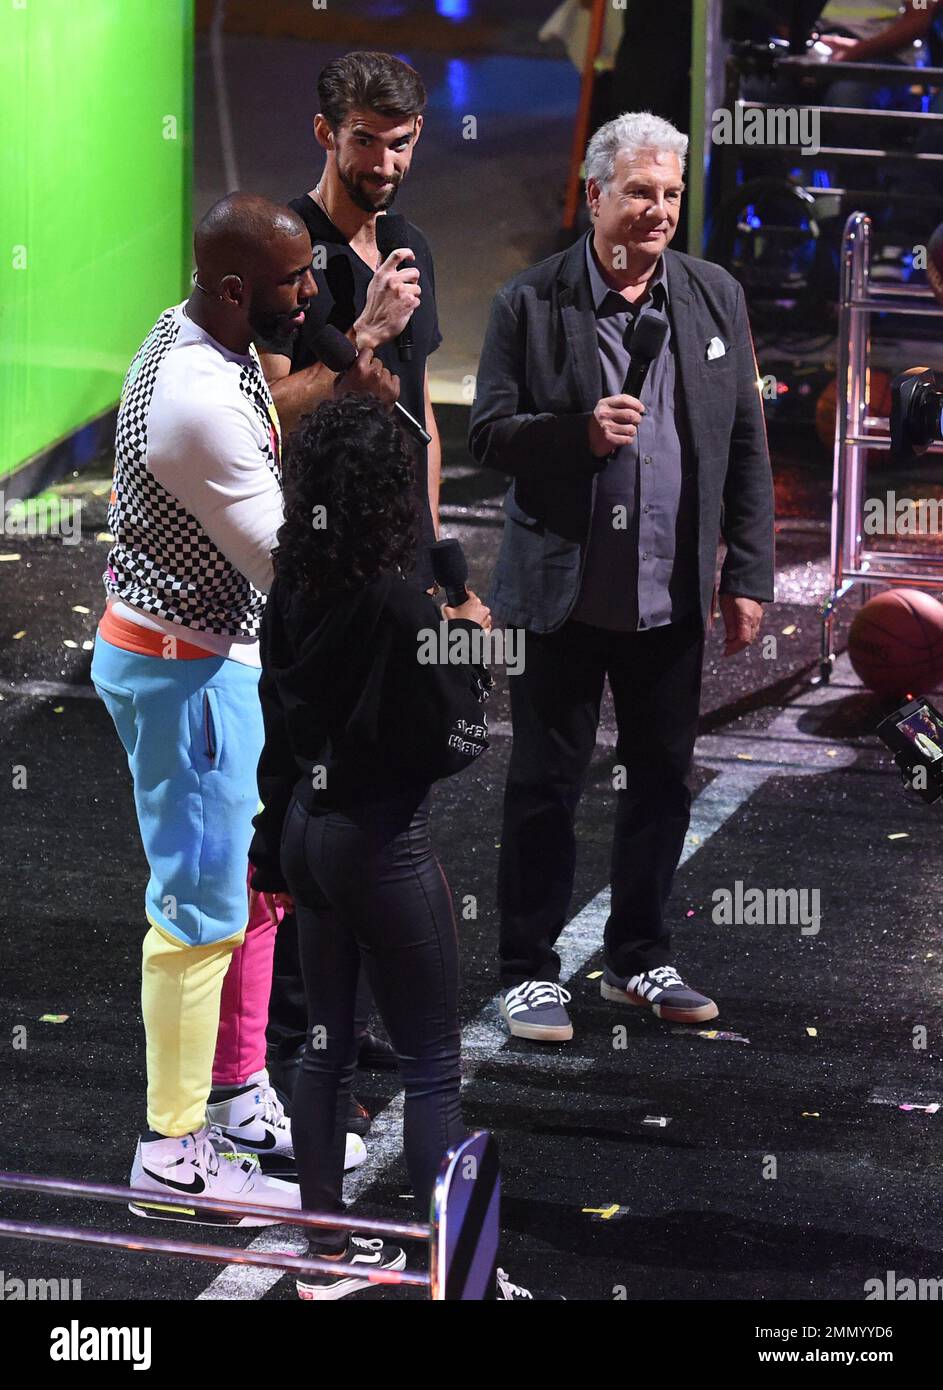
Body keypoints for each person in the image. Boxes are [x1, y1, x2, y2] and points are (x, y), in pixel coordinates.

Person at [90, 193, 396, 1219]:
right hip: (187, 671)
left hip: (200, 656)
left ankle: (230, 1095)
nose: (309, 293)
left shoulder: (200, 339)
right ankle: (168, 1150)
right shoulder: (197, 400)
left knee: (248, 898)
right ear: (234, 290)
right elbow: (294, 565)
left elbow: (270, 420)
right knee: (192, 916)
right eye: (292, 281)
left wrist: (349, 365)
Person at [469, 111, 775, 1043]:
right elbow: (486, 434)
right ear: (593, 193)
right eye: (639, 190)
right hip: (564, 596)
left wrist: (747, 571)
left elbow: (745, 442)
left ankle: (638, 957)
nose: (658, 210)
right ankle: (527, 968)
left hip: (670, 593)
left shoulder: (714, 294)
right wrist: (575, 434)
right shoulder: (529, 300)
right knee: (544, 785)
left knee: (660, 783)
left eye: (672, 193)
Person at [247, 394, 491, 1299]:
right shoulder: (398, 600)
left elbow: (278, 721)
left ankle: (325, 1261)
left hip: (309, 835)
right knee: (432, 1063)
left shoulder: (291, 577)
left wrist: (270, 846)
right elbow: (455, 739)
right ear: (389, 491)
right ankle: (454, 1276)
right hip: (381, 842)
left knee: (324, 1048)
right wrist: (470, 653)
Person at [257, 48, 443, 1104]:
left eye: (402, 142)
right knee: (307, 790)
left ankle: (345, 1020)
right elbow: (272, 410)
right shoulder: (287, 249)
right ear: (327, 134)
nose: (385, 162)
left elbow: (412, 407)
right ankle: (291, 1037)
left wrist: (434, 550)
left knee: (388, 791)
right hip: (316, 567)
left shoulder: (411, 242)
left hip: (391, 560)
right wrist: (358, 335)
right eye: (367, 140)